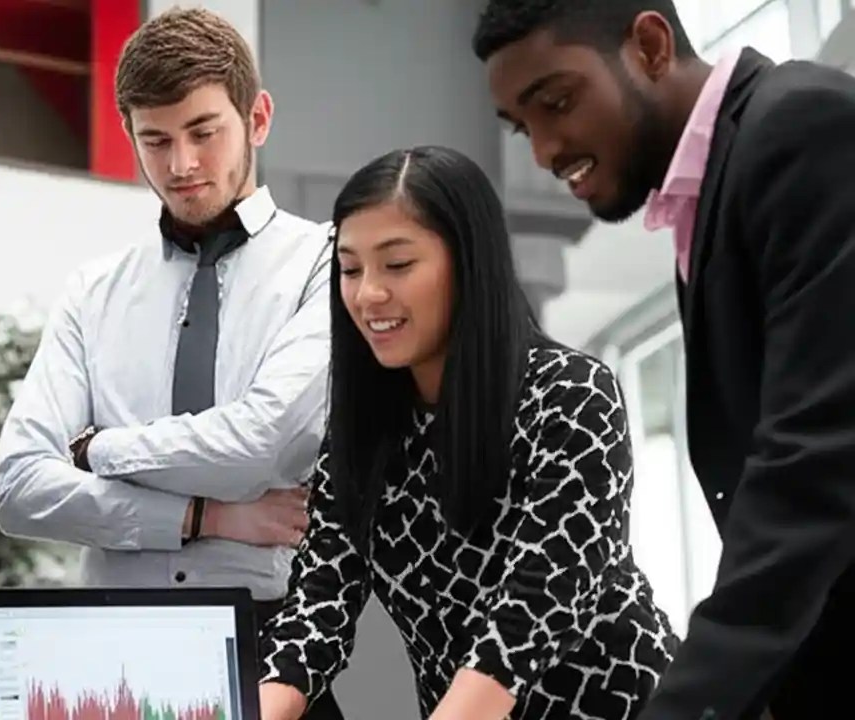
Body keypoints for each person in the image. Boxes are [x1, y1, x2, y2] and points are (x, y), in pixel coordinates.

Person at [475, 1, 855, 717]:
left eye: (556, 102)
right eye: (523, 127)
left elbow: (812, 465)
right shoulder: (712, 190)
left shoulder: (800, 130)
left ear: (650, 46)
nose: (544, 151)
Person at [0, 7, 341, 717]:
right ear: (129, 136)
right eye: (156, 139)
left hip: (271, 649)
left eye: (204, 133)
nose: (181, 165)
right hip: (111, 655)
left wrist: (98, 451)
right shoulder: (93, 291)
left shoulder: (327, 262)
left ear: (257, 119)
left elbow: (259, 445)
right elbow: (19, 488)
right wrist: (203, 515)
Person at [257, 146, 677, 720]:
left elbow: (534, 609)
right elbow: (318, 604)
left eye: (397, 264)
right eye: (350, 269)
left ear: (467, 262)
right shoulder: (363, 431)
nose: (367, 293)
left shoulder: (574, 395)